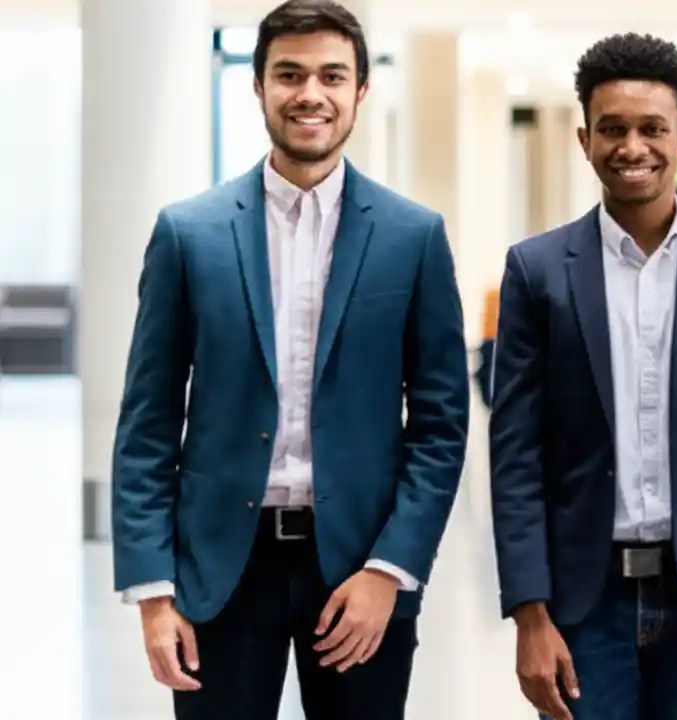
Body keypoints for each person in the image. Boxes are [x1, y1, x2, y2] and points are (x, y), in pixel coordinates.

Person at [110, 1, 470, 717]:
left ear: (361, 91)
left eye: (332, 75)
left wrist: (391, 570)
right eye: (290, 74)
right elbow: (147, 423)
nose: (311, 93)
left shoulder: (413, 237)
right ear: (259, 86)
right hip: (220, 572)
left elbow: (441, 424)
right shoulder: (189, 234)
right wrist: (153, 591)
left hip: (360, 571)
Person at [489, 33, 677, 720]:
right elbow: (515, 459)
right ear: (584, 138)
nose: (633, 147)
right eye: (614, 129)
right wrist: (530, 617)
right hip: (581, 603)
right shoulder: (537, 272)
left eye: (653, 128)